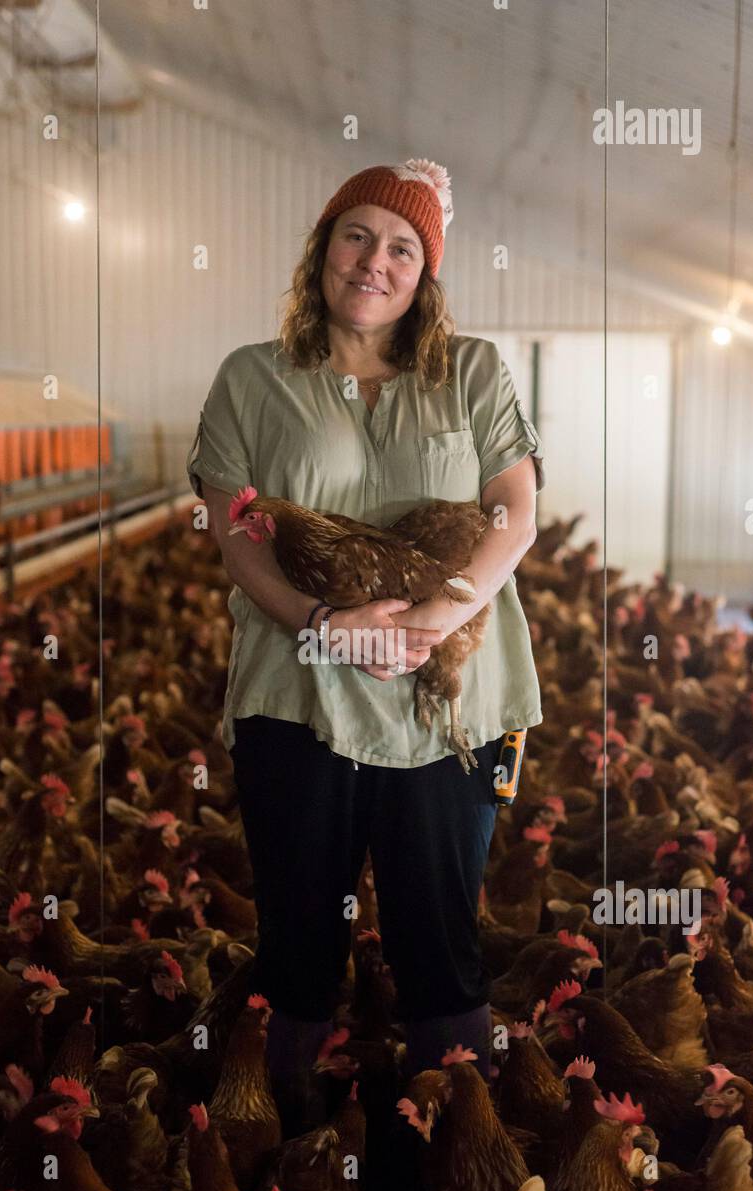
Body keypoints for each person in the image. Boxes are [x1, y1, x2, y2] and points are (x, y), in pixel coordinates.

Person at [186, 158, 544, 1134]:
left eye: (403, 246)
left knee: (441, 929)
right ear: (323, 246)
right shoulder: (252, 377)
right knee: (300, 932)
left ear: (425, 272)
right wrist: (320, 625)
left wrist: (441, 613)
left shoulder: (471, 371)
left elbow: (516, 508)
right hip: (300, 688)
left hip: (452, 687)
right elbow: (234, 531)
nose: (374, 261)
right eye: (358, 234)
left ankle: (453, 1134)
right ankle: (282, 1132)